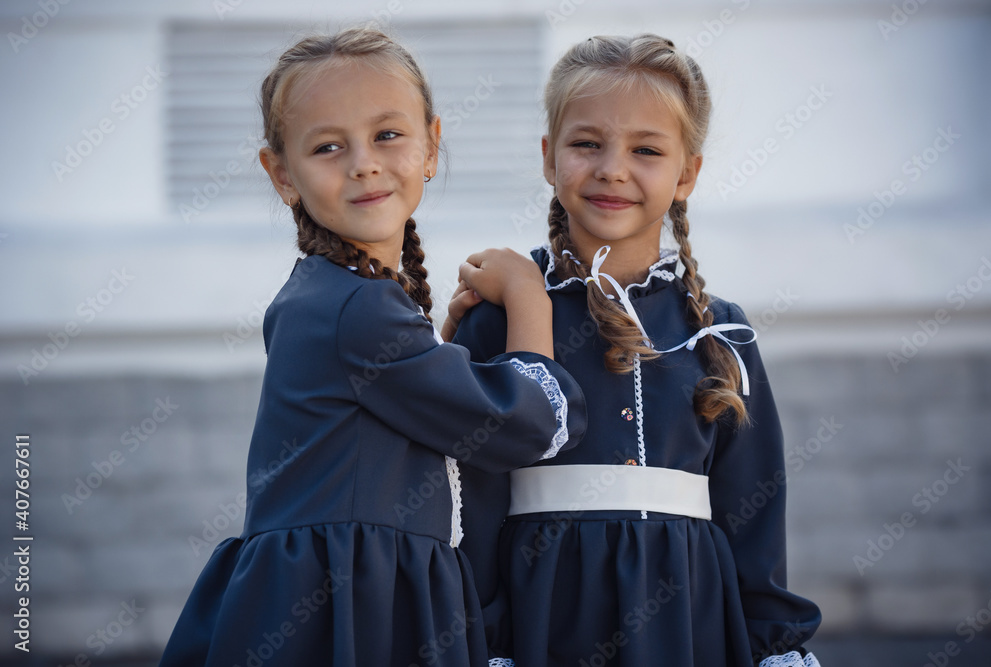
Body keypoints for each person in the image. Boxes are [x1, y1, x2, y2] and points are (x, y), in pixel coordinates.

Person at [159, 27, 586, 667]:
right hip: (346, 611)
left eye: (387, 135)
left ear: (431, 146)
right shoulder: (356, 309)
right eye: (329, 146)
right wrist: (529, 295)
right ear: (281, 174)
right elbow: (521, 425)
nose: (363, 162)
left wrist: (446, 354)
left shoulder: (335, 298)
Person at [451, 34, 821, 667]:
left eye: (646, 149)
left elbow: (755, 509)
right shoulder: (501, 317)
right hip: (547, 620)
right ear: (549, 156)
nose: (612, 169)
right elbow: (473, 506)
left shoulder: (721, 333)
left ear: (687, 174)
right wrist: (486, 642)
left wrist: (774, 646)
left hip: (690, 622)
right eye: (586, 143)